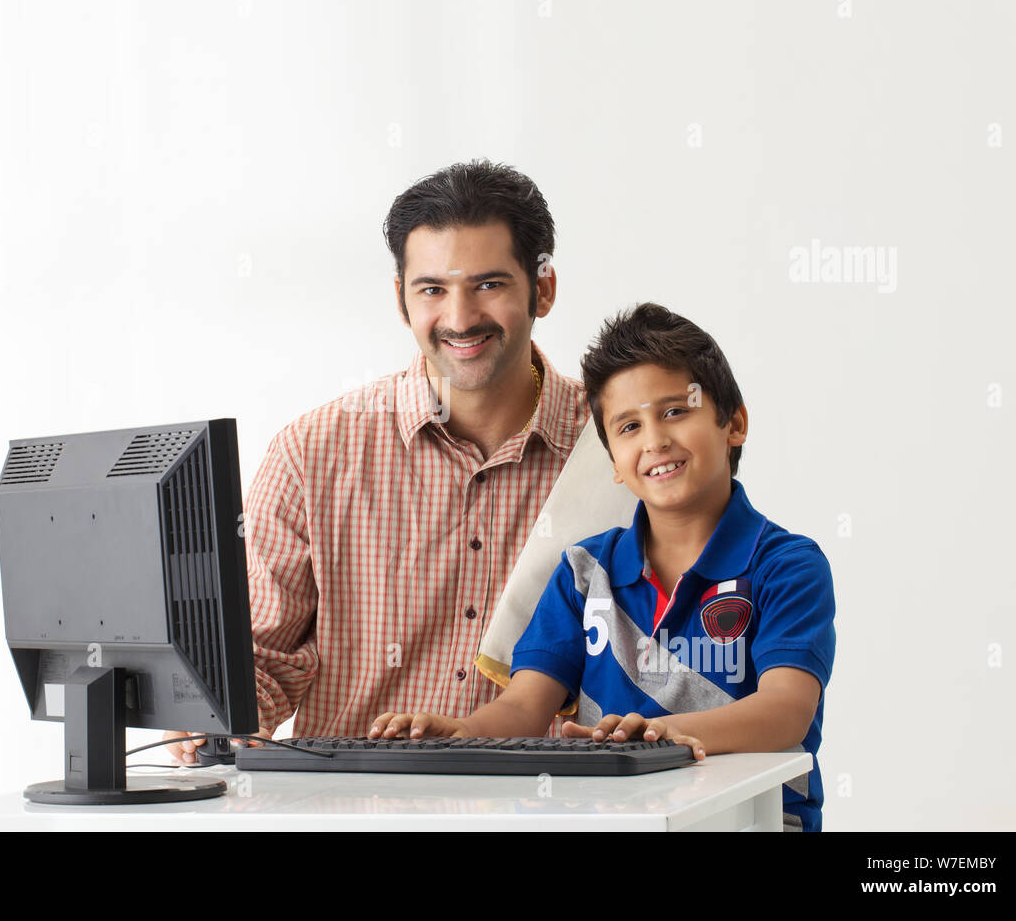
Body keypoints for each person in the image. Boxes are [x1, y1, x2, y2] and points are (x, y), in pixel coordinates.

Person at [166, 160, 598, 763]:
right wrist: (210, 715)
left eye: (489, 285)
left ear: (543, 289)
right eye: (433, 290)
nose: (460, 317)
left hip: (558, 813)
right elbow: (260, 660)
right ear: (401, 299)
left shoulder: (614, 447)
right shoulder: (311, 454)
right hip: (352, 808)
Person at [371, 302, 836, 831]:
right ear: (613, 461)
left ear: (734, 424)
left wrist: (666, 736)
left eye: (675, 412)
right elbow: (525, 708)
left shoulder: (787, 566)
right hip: (615, 821)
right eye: (629, 426)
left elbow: (785, 711)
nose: (655, 440)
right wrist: (463, 735)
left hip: (753, 821)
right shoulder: (583, 571)